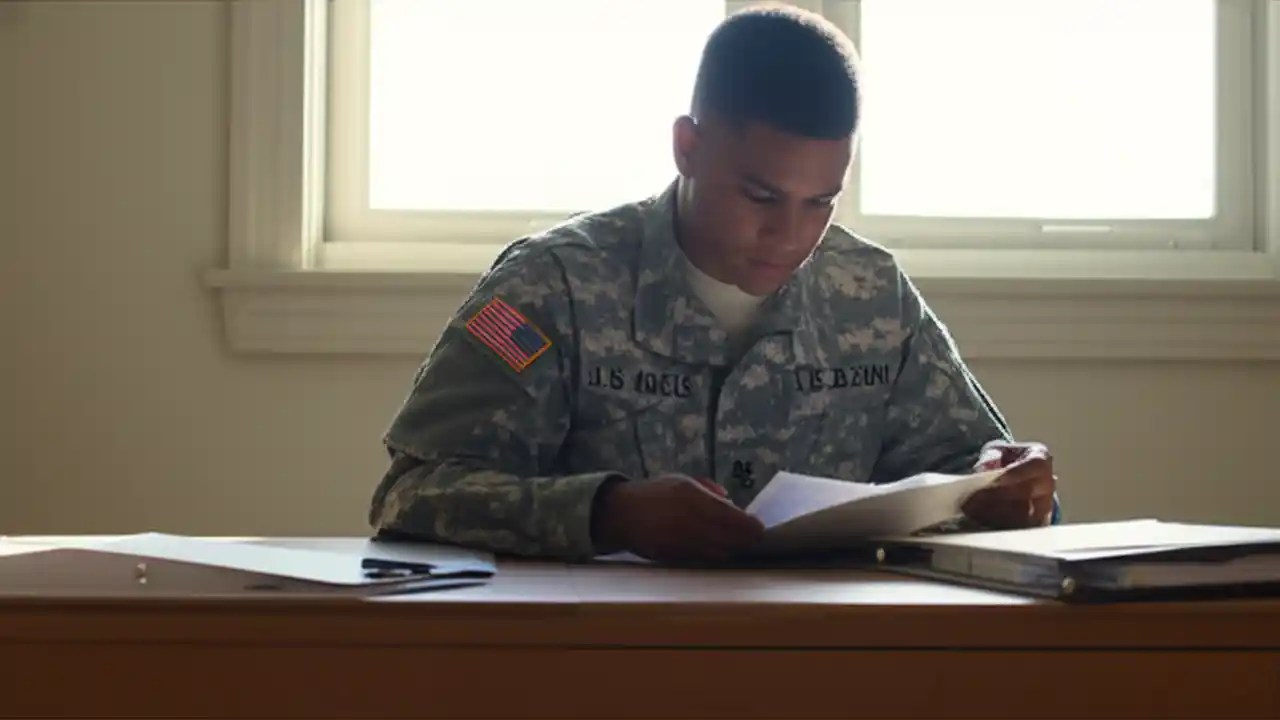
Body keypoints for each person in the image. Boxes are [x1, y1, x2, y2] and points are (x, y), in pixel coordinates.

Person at [368, 4, 1058, 564]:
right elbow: (414, 493)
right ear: (687, 146)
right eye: (760, 195)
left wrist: (1010, 486)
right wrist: (610, 514)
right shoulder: (550, 289)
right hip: (599, 668)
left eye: (820, 201)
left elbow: (970, 468)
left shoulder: (873, 295)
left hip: (833, 665)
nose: (790, 234)